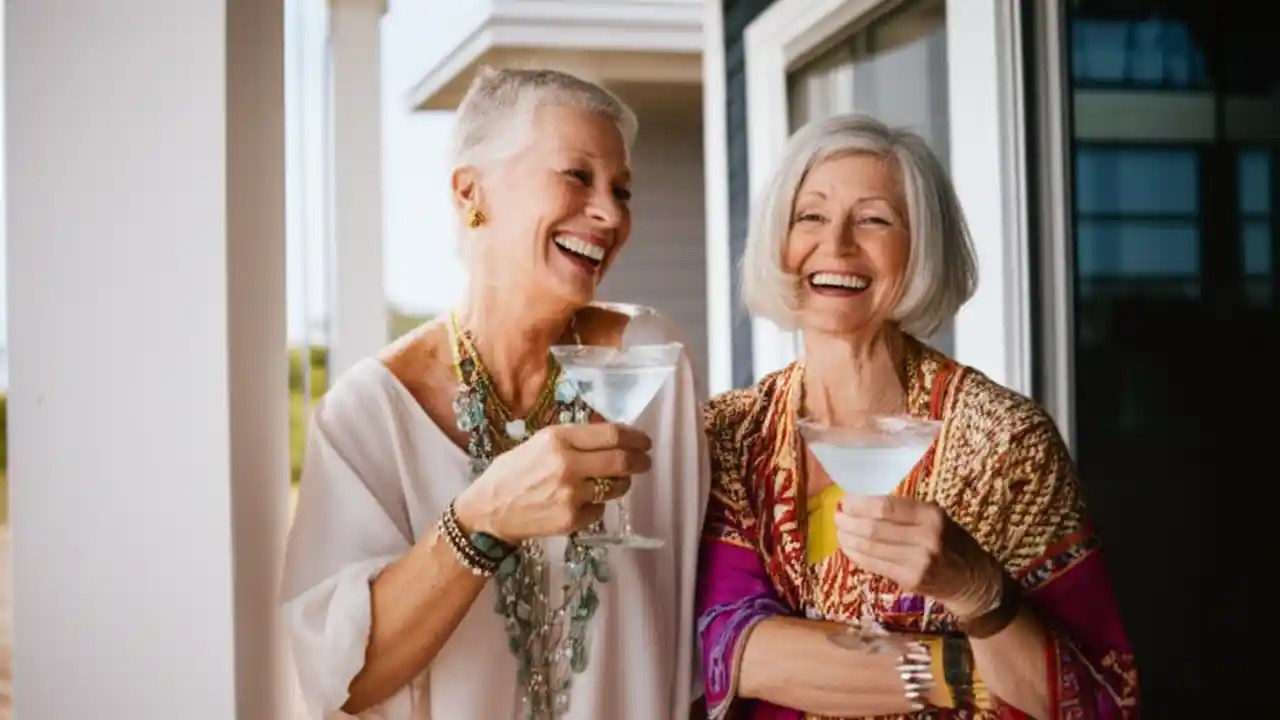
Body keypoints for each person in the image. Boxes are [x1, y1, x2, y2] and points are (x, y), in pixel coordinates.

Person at [281, 67, 707, 719]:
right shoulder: (371, 411)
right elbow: (345, 680)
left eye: (622, 189)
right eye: (577, 175)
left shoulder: (653, 364)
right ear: (470, 191)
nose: (612, 213)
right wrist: (480, 519)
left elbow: (688, 614)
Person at [696, 114, 1138, 719]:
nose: (837, 245)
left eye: (874, 219)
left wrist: (976, 590)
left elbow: (1099, 701)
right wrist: (965, 671)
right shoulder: (728, 433)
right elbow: (728, 647)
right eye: (811, 216)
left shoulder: (1005, 444)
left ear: (920, 247)